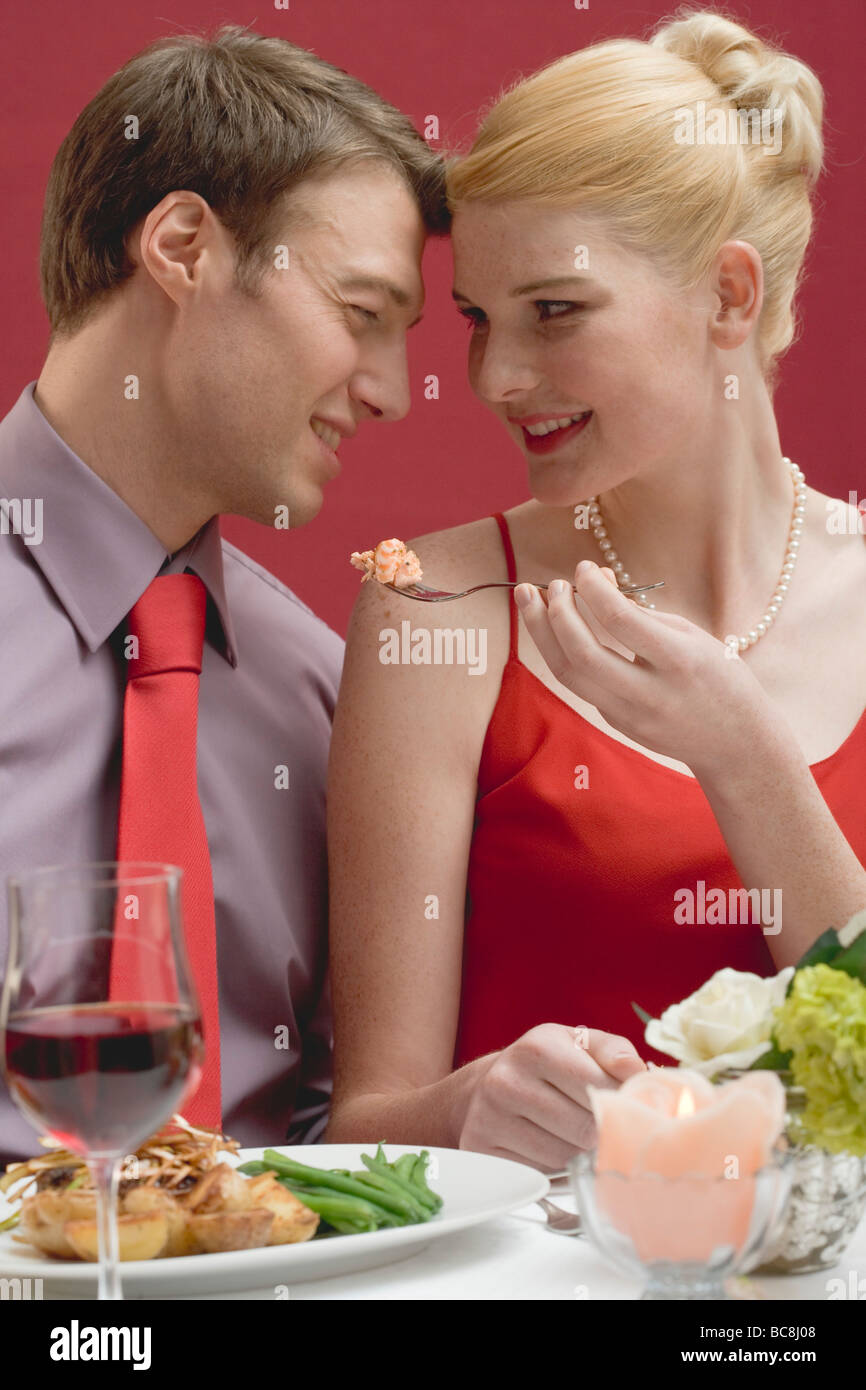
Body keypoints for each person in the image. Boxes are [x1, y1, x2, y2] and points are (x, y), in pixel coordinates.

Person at [325, 9, 866, 1171]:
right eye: (476, 319)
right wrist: (467, 1104)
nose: (495, 377)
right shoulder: (435, 607)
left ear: (728, 296)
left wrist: (747, 760)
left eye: (554, 312)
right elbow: (361, 1123)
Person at [0, 24, 449, 1164]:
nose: (393, 391)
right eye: (361, 314)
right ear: (186, 247)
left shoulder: (321, 690)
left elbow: (321, 1115)